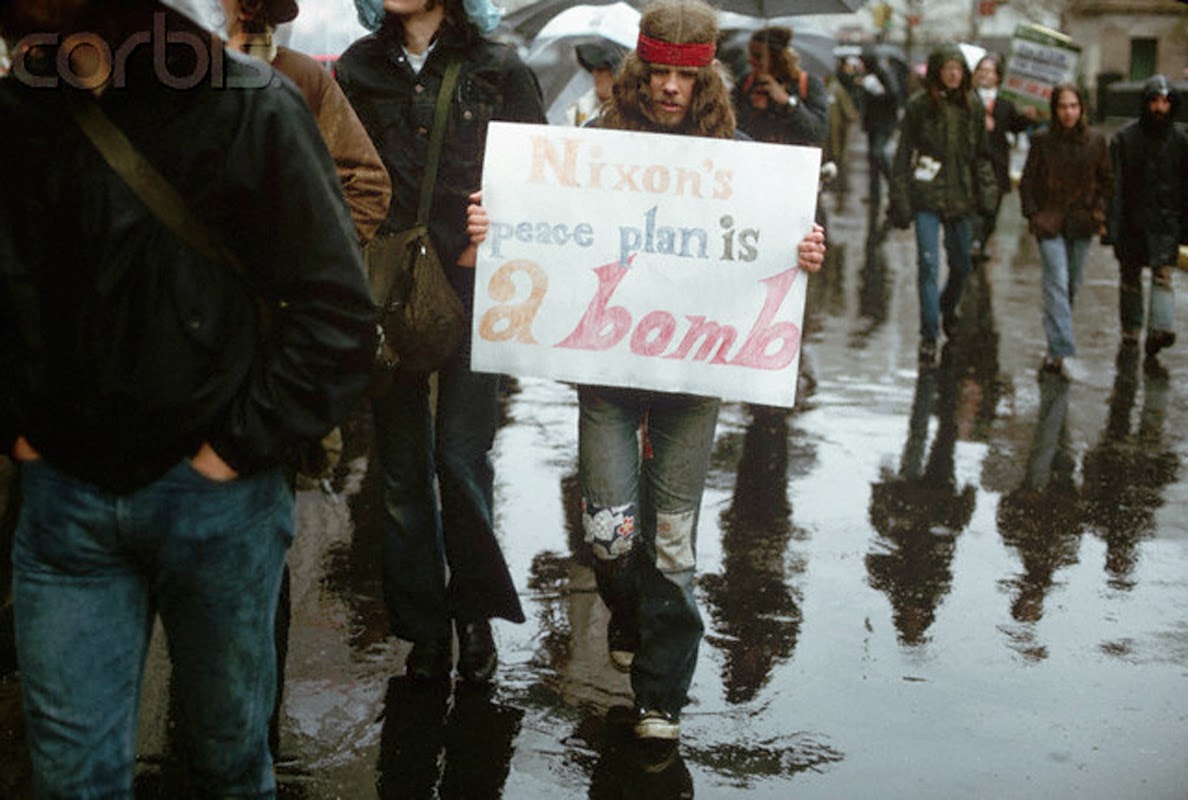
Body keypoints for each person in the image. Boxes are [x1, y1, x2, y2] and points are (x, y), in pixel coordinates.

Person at [0, 1, 378, 796]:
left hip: (219, 501)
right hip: (64, 499)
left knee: (227, 763)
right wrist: (19, 432)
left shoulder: (247, 105)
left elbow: (337, 312)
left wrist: (232, 451)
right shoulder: (18, 113)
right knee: (70, 778)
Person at [467, 0, 827, 743]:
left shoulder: (736, 151)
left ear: (705, 83)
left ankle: (662, 693)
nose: (669, 89)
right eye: (658, 73)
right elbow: (545, 222)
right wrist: (494, 224)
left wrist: (805, 251)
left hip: (692, 377)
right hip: (608, 372)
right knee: (607, 533)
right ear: (639, 72)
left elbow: (770, 236)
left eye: (683, 78)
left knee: (671, 539)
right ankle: (630, 610)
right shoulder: (598, 142)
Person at [335, 0, 546, 684]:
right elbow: (336, 175)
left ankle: (475, 617)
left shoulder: (500, 68)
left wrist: (504, 224)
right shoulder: (358, 69)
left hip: (474, 284)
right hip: (389, 290)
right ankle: (423, 632)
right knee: (400, 472)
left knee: (460, 458)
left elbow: (542, 182)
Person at [223, 0, 391, 245]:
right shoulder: (168, 78)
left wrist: (302, 259)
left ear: (249, 7)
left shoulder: (299, 76)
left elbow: (366, 187)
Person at [888, 43, 998, 366]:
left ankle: (947, 309)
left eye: (958, 68)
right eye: (947, 68)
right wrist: (900, 199)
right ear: (937, 71)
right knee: (928, 264)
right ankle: (929, 334)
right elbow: (902, 156)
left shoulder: (972, 106)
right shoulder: (919, 106)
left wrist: (987, 194)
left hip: (961, 197)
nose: (953, 74)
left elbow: (980, 155)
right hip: (926, 196)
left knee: (963, 264)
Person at [1018, 83, 1112, 380]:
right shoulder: (1043, 140)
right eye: (1062, 106)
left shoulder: (1096, 141)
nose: (1068, 112)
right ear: (1054, 109)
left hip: (1082, 222)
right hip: (1050, 221)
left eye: (1073, 106)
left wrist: (1099, 212)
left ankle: (1054, 345)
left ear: (1081, 108)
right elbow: (1028, 181)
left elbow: (1107, 181)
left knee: (1070, 284)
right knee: (1056, 281)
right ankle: (1061, 351)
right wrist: (1034, 214)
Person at [1105, 73, 1187, 369]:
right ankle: (1131, 330)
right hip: (1132, 222)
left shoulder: (1180, 141)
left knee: (1163, 276)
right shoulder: (1125, 139)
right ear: (1145, 103)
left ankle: (1159, 330)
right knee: (1130, 279)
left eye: (1165, 102)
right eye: (1154, 101)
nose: (1159, 108)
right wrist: (1111, 227)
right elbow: (1114, 187)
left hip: (1165, 222)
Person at [972, 52, 1036, 257]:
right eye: (981, 70)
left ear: (998, 77)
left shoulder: (1005, 102)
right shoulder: (968, 98)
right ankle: (973, 241)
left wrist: (1027, 118)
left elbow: (1015, 126)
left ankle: (981, 241)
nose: (984, 75)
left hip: (997, 163)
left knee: (992, 209)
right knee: (974, 206)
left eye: (989, 71)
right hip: (973, 162)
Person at [732, 25, 828, 149]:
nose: (750, 60)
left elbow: (819, 133)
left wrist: (787, 103)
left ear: (776, 57)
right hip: (755, 157)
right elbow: (733, 128)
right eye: (750, 54)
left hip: (793, 161)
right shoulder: (746, 82)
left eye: (758, 56)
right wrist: (752, 109)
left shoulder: (808, 83)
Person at [859, 45, 902, 225]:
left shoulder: (883, 73)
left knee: (878, 154)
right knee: (872, 160)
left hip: (884, 123)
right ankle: (874, 194)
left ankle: (895, 190)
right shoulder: (867, 76)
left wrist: (875, 92)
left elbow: (893, 95)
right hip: (873, 124)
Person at [565, 39, 624, 127]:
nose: (594, 74)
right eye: (592, 68)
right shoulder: (578, 109)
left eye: (601, 70)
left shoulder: (630, 113)